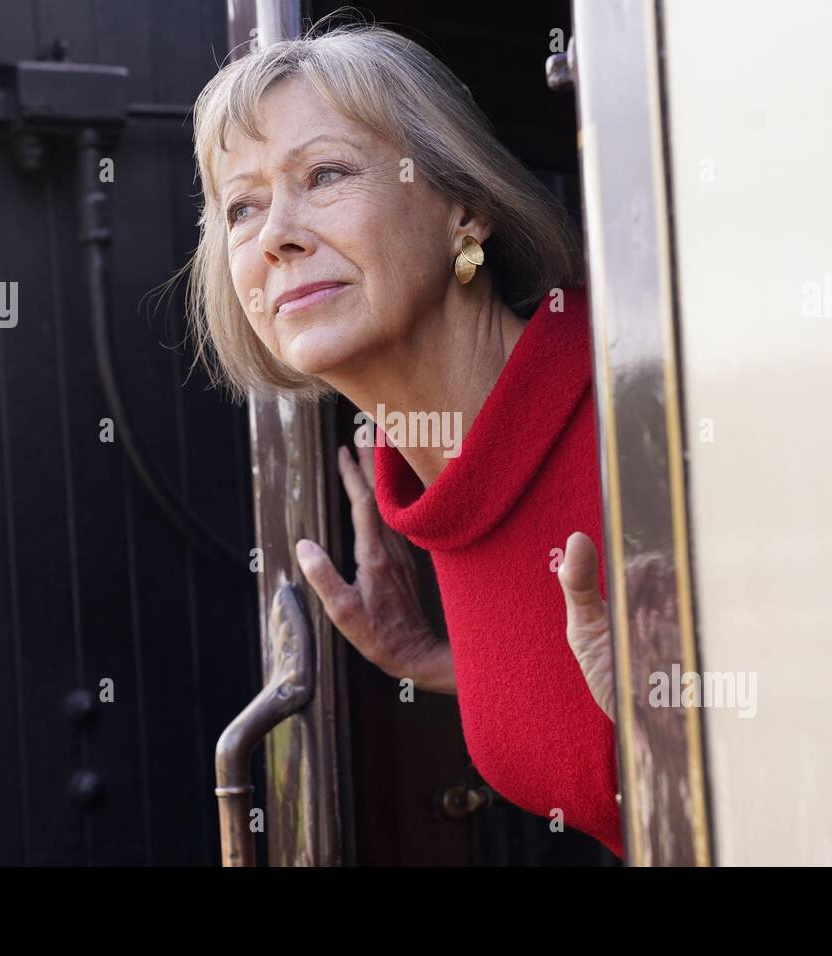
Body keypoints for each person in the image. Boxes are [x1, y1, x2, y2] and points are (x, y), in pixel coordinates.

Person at [185, 16, 622, 860]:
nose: (276, 234)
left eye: (325, 174)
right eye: (243, 206)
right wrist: (447, 664)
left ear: (465, 210)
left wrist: (679, 718)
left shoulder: (630, 403)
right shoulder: (442, 493)